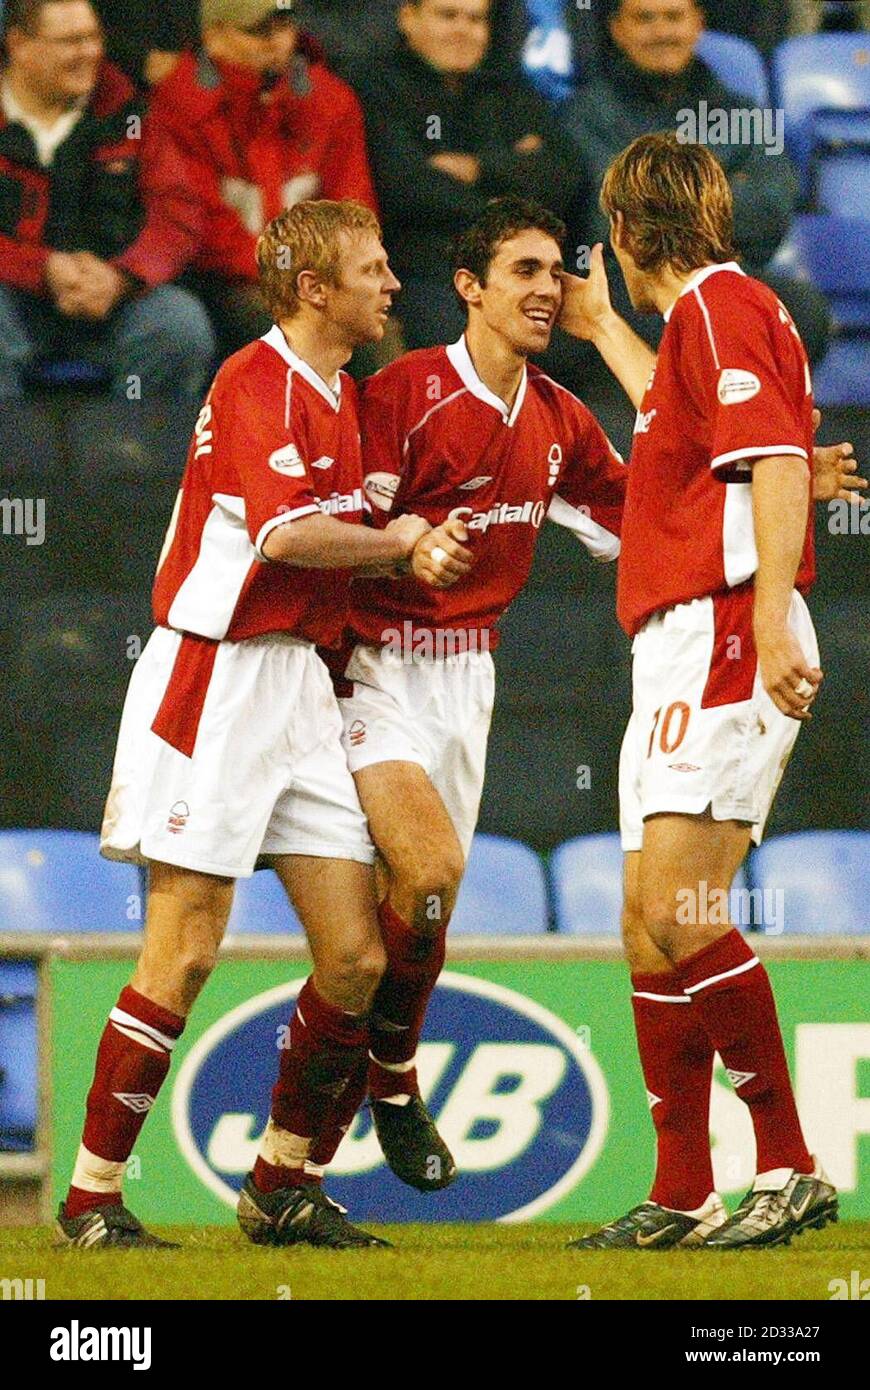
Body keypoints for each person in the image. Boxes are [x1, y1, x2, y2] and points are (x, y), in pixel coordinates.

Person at [55, 198, 468, 1251]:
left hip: (302, 689)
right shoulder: (254, 379)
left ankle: (280, 1180)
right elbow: (285, 538)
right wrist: (403, 537)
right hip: (220, 680)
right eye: (371, 269)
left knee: (356, 955)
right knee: (184, 951)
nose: (390, 282)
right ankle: (92, 1199)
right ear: (314, 289)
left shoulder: (339, 391)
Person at [558, 132, 852, 1248]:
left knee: (684, 907)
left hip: (727, 623)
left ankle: (787, 1163)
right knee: (648, 923)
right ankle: (684, 1189)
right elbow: (683, 428)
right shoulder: (701, 324)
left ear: (627, 230)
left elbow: (775, 462)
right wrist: (600, 330)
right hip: (681, 637)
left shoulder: (727, 309)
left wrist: (772, 615)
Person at [321, 196, 629, 1186]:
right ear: (470, 287)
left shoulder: (559, 420)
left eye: (555, 272)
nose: (547, 289)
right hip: (373, 664)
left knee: (417, 909)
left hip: (469, 677)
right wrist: (407, 550)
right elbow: (324, 541)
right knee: (429, 863)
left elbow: (647, 519)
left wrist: (771, 474)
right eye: (525, 271)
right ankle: (397, 1082)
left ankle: (300, 1162)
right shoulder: (402, 394)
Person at [558, 0, 830, 372]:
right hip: (633, 288)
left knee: (804, 313)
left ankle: (760, 424)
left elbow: (771, 213)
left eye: (674, 17)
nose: (662, 32)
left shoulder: (741, 112)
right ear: (617, 29)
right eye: (645, 18)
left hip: (728, 275)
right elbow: (602, 218)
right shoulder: (586, 112)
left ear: (697, 23)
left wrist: (652, 199)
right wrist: (720, 191)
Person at [0, 0, 214, 401]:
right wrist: (42, 270)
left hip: (113, 299)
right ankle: (13, 460)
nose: (89, 53)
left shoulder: (129, 113)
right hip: (13, 297)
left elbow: (178, 214)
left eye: (94, 38)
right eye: (70, 41)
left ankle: (129, 457)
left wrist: (124, 277)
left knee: (179, 325)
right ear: (19, 45)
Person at [143, 0, 379, 357]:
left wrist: (329, 274)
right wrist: (291, 277)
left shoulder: (332, 100)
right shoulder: (179, 104)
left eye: (284, 27)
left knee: (373, 326)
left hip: (317, 280)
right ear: (213, 36)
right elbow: (199, 222)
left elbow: (353, 205)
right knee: (287, 326)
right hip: (223, 284)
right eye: (257, 32)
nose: (276, 42)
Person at [347, 0, 579, 350]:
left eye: (475, 19)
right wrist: (513, 184)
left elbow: (564, 174)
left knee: (580, 339)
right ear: (408, 18)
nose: (462, 29)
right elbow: (408, 189)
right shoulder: (375, 87)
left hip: (523, 268)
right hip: (425, 272)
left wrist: (478, 168)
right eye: (447, 15)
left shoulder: (507, 88)